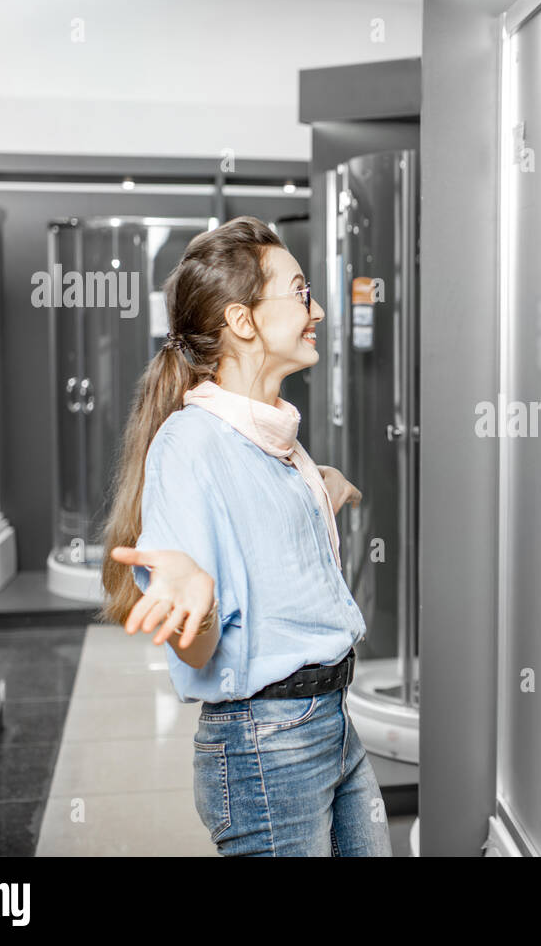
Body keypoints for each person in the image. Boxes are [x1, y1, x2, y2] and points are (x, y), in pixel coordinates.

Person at [100, 215, 391, 856]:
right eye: (299, 291)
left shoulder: (274, 438)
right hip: (267, 745)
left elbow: (268, 533)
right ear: (242, 321)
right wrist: (194, 607)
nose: (314, 309)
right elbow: (199, 653)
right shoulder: (190, 443)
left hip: (331, 719)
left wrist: (322, 487)